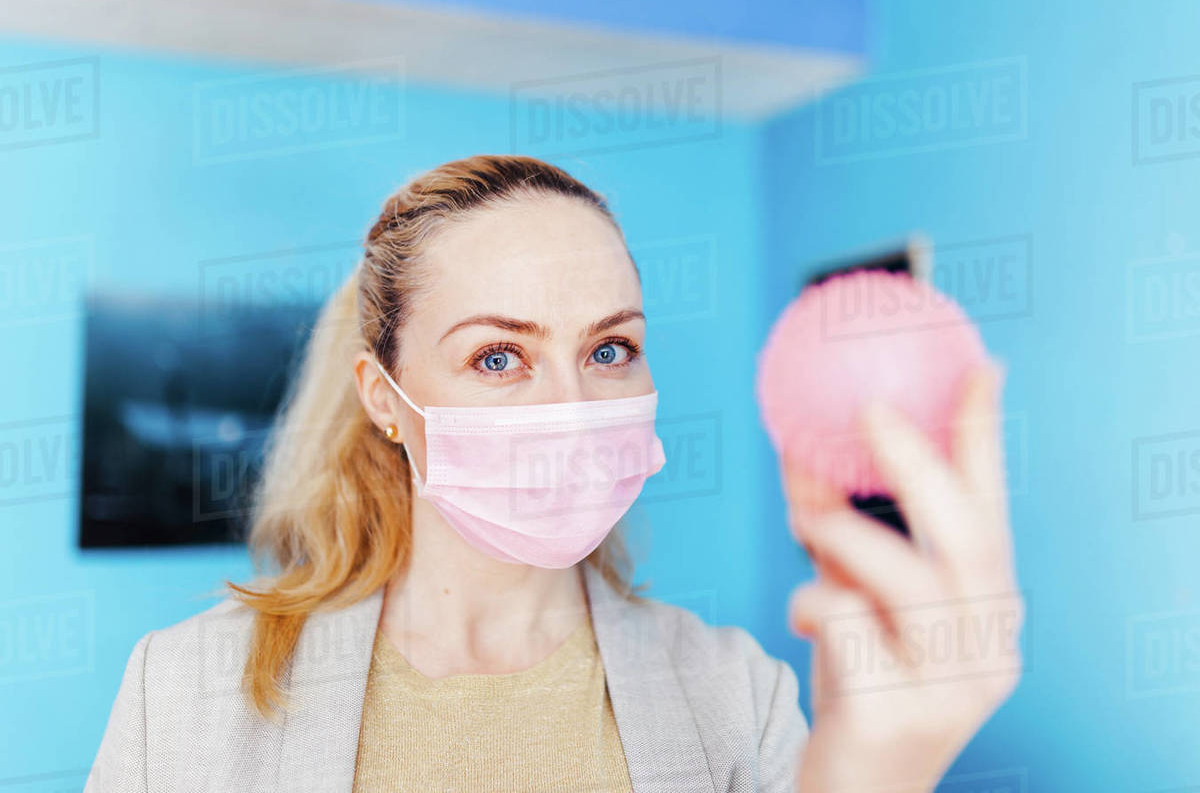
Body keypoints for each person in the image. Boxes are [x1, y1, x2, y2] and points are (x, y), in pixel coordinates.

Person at [85, 155, 1022, 793]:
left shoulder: (739, 693)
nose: (572, 407)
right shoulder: (183, 691)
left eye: (611, 349)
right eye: (499, 358)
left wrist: (879, 775)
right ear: (383, 398)